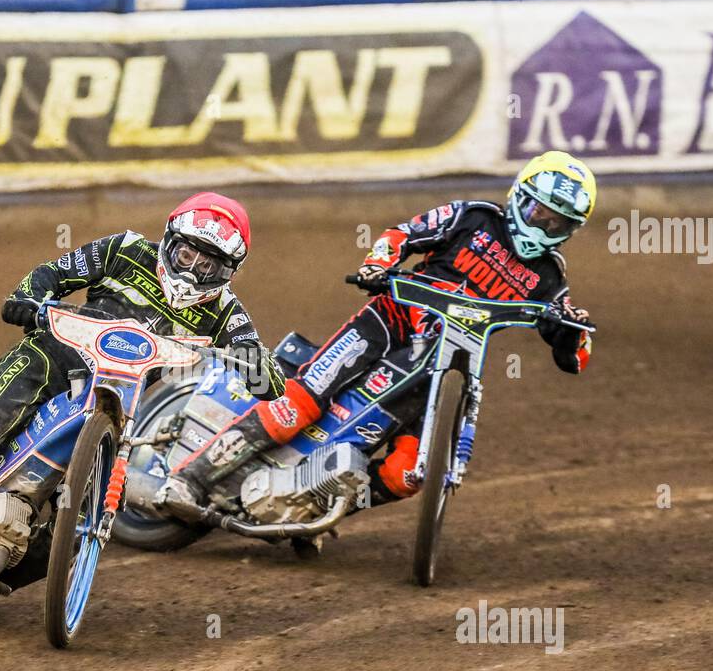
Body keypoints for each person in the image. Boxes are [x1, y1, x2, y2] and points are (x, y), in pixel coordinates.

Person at [0, 192, 285, 589]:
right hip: (47, 362)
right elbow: (53, 273)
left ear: (228, 269)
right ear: (170, 241)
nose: (194, 269)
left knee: (84, 519)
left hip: (116, 407)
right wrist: (27, 300)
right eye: (187, 255)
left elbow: (269, 379)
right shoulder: (124, 250)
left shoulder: (227, 313)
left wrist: (252, 366)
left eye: (208, 263)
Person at [161, 151, 598, 511]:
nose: (543, 225)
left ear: (570, 231)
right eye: (538, 211)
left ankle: (311, 504)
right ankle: (189, 479)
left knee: (411, 473)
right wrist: (378, 264)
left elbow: (575, 354)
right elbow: (401, 235)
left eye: (557, 223)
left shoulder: (549, 277)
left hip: (452, 365)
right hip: (392, 320)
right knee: (300, 404)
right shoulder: (473, 217)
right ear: (519, 197)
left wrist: (571, 330)